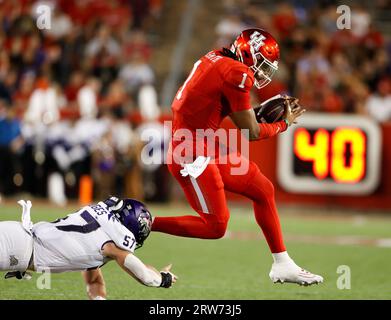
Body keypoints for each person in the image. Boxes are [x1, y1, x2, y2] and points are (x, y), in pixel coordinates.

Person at [151, 28, 323, 286]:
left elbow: (224, 108)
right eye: (262, 65)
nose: (263, 73)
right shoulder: (238, 73)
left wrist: (253, 113)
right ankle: (142, 222)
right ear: (249, 54)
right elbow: (251, 132)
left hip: (201, 143)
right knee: (216, 226)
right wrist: (283, 124)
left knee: (262, 189)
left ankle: (283, 264)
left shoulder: (217, 57)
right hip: (190, 152)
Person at [0, 197, 177, 299]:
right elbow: (145, 276)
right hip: (16, 247)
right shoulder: (109, 245)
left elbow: (94, 282)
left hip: (17, 239)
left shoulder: (101, 234)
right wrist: (163, 279)